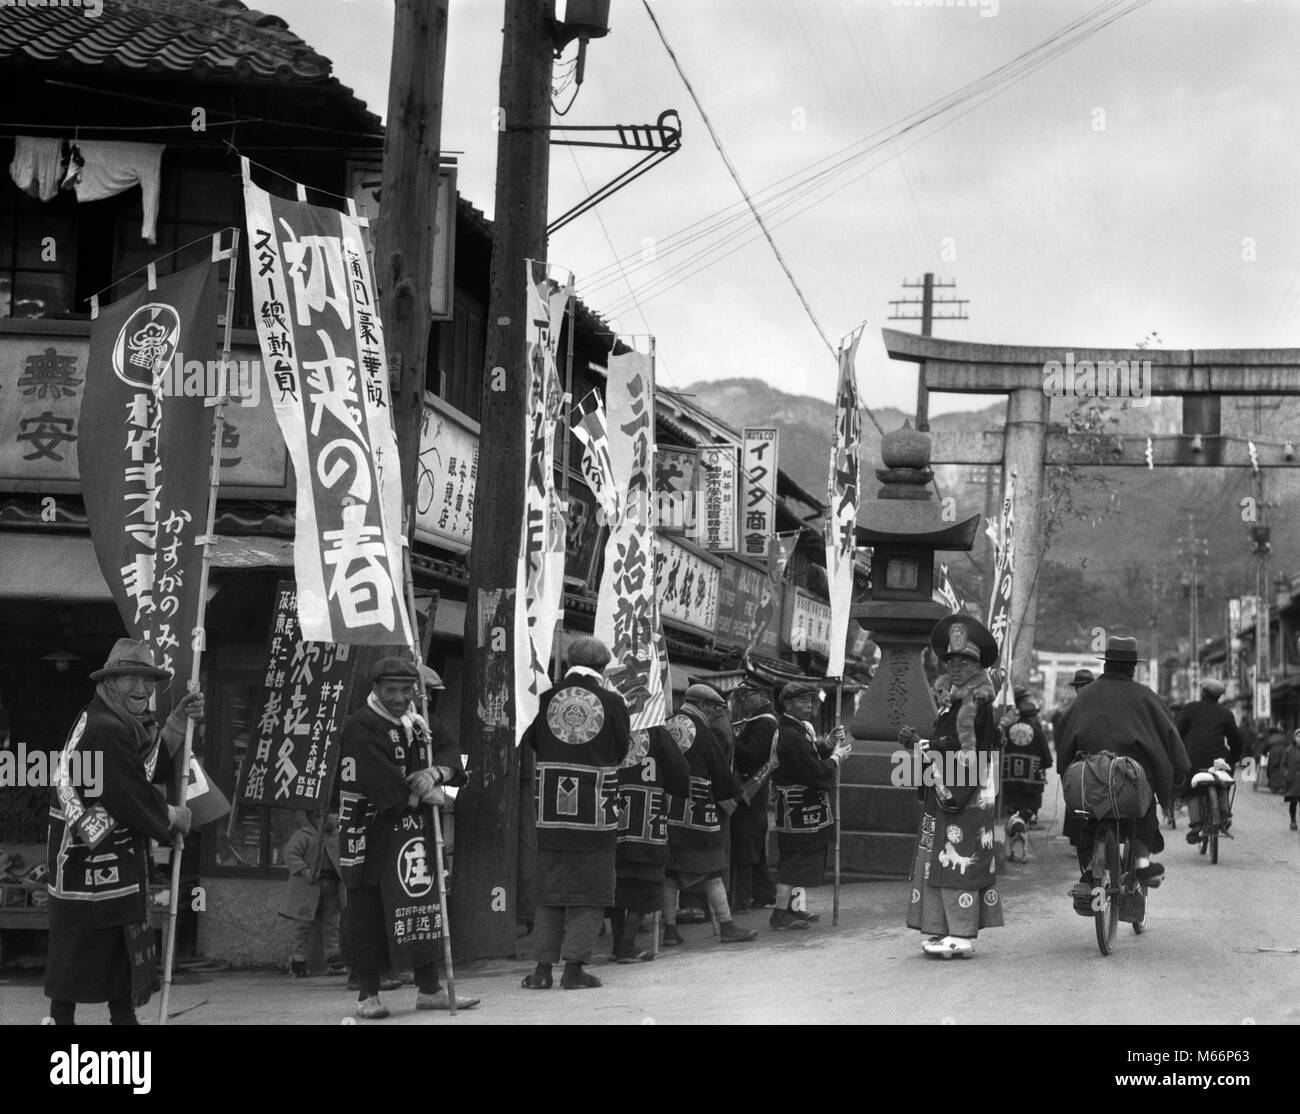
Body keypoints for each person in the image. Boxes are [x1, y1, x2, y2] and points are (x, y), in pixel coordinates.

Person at [44, 638, 202, 1025]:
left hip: (87, 861)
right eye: (131, 678)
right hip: (91, 864)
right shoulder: (107, 727)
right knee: (86, 959)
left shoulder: (106, 718)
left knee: (106, 962)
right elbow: (128, 792)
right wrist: (171, 817)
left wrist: (178, 721)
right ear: (111, 681)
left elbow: (142, 771)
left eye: (148, 681)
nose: (142, 689)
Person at [339, 656, 475, 1019]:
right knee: (369, 911)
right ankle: (368, 994)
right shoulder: (360, 724)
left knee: (423, 903)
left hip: (416, 832)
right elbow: (376, 777)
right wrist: (416, 794)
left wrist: (436, 772)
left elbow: (451, 754)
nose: (399, 698)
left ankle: (429, 988)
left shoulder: (422, 723)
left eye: (405, 690)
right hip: (372, 830)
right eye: (390, 691)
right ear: (376, 690)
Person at [522, 636, 630, 989]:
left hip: (551, 810)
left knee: (550, 890)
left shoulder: (546, 697)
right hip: (594, 813)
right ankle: (573, 971)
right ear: (603, 668)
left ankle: (541, 972)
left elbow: (534, 740)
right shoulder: (613, 702)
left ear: (569, 663)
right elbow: (620, 749)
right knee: (591, 890)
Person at [898, 616, 1003, 959]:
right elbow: (942, 745)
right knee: (937, 863)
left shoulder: (978, 706)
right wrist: (917, 745)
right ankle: (941, 928)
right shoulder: (949, 703)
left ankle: (961, 932)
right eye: (951, 661)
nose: (957, 667)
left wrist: (931, 748)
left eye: (965, 662)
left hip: (964, 796)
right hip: (943, 792)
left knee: (960, 864)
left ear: (977, 666)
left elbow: (976, 754)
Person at [1055, 636, 1189, 897]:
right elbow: (1171, 739)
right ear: (1132, 668)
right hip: (1133, 782)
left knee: (1088, 822)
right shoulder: (1146, 697)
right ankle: (1140, 864)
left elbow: (1063, 733)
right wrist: (1178, 776)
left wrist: (1065, 770)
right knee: (1145, 814)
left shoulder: (1085, 696)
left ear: (1106, 666)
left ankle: (1090, 872)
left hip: (1090, 781)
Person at [661, 684, 757, 946]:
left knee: (669, 871)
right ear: (702, 705)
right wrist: (733, 796)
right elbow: (722, 776)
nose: (716, 713)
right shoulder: (703, 734)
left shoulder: (665, 725)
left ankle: (669, 930)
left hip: (664, 811)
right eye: (715, 708)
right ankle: (727, 925)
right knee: (713, 869)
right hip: (697, 813)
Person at [771, 680, 851, 931]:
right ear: (788, 704)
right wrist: (836, 758)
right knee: (794, 861)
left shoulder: (797, 730)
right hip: (797, 808)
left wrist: (826, 744)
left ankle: (793, 909)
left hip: (805, 808)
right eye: (803, 701)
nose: (809, 705)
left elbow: (810, 755)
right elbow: (813, 771)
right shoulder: (788, 734)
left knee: (803, 858)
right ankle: (780, 913)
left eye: (810, 700)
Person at [609, 724, 690, 962]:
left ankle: (618, 944)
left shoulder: (611, 722)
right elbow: (679, 771)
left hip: (611, 815)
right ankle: (627, 945)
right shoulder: (657, 732)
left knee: (617, 883)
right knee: (644, 885)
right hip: (647, 820)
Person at [728, 681, 780, 912]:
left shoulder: (764, 723)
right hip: (756, 788)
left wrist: (734, 740)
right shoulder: (760, 719)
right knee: (755, 844)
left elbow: (752, 755)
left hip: (753, 787)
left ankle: (743, 898)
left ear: (761, 695)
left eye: (748, 695)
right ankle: (764, 892)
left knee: (746, 843)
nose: (744, 700)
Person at [1176, 679, 1244, 843]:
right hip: (1219, 758)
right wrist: (1233, 759)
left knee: (1192, 786)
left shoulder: (1190, 708)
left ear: (1203, 693)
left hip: (1195, 757)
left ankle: (1196, 825)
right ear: (1219, 696)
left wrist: (1181, 753)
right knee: (1223, 781)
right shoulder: (1226, 713)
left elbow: (1178, 734)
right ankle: (1224, 814)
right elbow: (1236, 740)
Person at [279, 811, 344, 977]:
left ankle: (334, 959)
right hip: (308, 888)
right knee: (302, 925)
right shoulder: (304, 836)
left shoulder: (338, 837)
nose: (337, 817)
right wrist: (305, 870)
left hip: (333, 887)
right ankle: (299, 961)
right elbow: (290, 854)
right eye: (333, 814)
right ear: (319, 816)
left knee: (332, 924)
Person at [1002, 698, 1052, 826]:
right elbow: (1046, 756)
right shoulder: (1037, 731)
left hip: (1011, 780)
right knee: (1031, 802)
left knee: (1015, 803)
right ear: (1033, 716)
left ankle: (1014, 821)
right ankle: (1031, 821)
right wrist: (1047, 763)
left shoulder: (1008, 729)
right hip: (1031, 782)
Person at [1283, 729, 1300, 831]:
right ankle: (1293, 820)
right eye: (1298, 736)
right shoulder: (1288, 750)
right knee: (1293, 802)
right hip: (1292, 781)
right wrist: (1286, 774)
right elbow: (1283, 765)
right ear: (1294, 737)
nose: (1299, 738)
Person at [1265, 723, 1289, 792]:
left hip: (1273, 753)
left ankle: (1274, 786)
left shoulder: (1270, 737)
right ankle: (1281, 786)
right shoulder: (1284, 736)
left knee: (1272, 768)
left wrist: (1263, 752)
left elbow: (1265, 746)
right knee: (1281, 768)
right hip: (1284, 751)